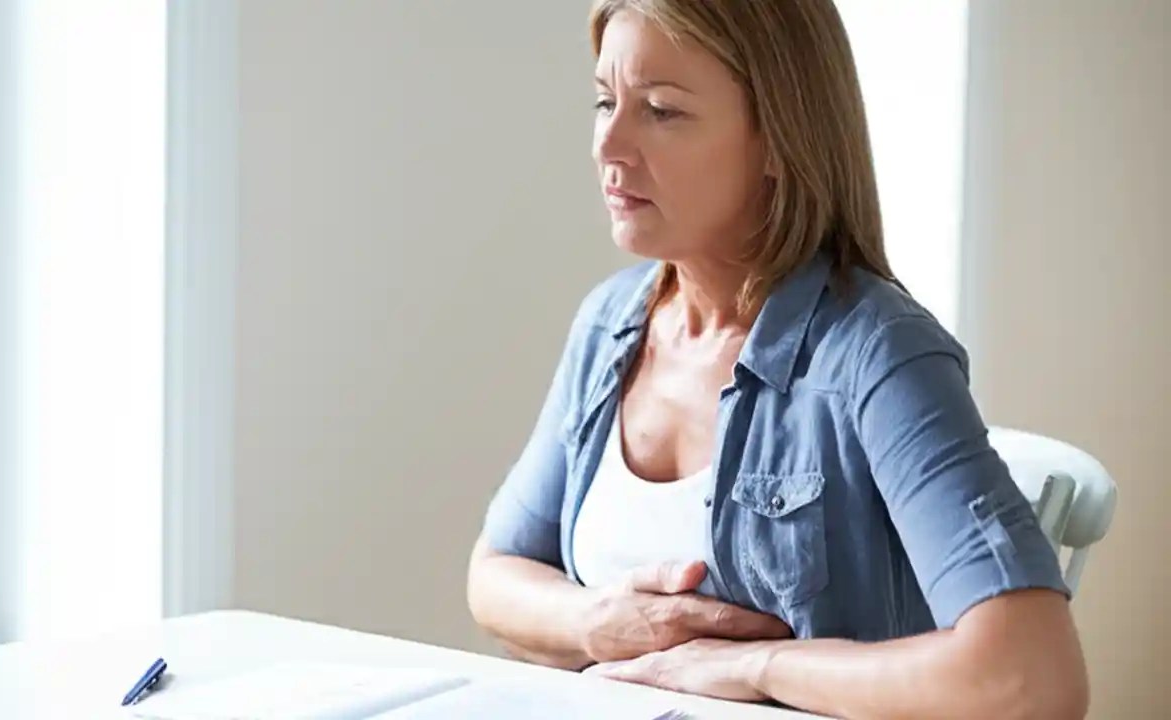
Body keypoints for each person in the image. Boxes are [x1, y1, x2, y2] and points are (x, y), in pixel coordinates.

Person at [465, 1, 1089, 717]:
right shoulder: (611, 325)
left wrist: (757, 667)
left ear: (778, 139)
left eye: (662, 111)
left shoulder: (879, 354)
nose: (610, 144)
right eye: (606, 102)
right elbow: (495, 573)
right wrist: (597, 622)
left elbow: (1031, 678)